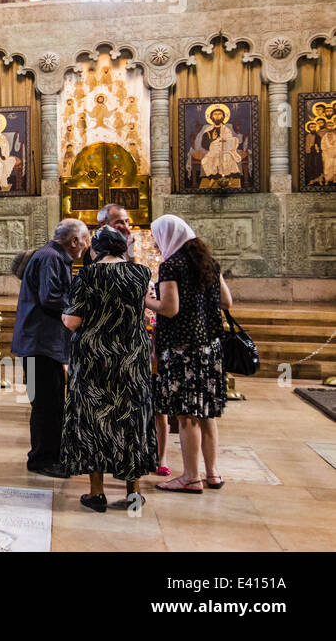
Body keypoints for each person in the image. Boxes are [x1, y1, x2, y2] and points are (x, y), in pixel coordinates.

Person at [60, 226, 158, 512]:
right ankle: (133, 492)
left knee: (94, 419)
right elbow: (141, 308)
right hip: (131, 356)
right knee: (130, 417)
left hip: (94, 358)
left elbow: (73, 321)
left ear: (96, 249)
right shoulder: (140, 273)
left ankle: (96, 492)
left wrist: (67, 316)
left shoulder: (88, 275)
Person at [145, 214, 233, 494]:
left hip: (184, 349)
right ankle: (212, 473)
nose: (157, 245)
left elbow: (170, 308)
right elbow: (226, 301)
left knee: (186, 416)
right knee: (207, 414)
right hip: (210, 347)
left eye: (158, 238)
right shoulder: (207, 261)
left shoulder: (172, 266)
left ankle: (191, 477)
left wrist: (144, 298)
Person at [12, 218, 91, 478]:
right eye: (86, 238)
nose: (88, 244)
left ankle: (50, 455)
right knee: (47, 404)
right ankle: (42, 459)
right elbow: (51, 297)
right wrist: (82, 306)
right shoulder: (52, 258)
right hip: (40, 344)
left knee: (52, 402)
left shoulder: (53, 256)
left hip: (43, 343)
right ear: (74, 241)